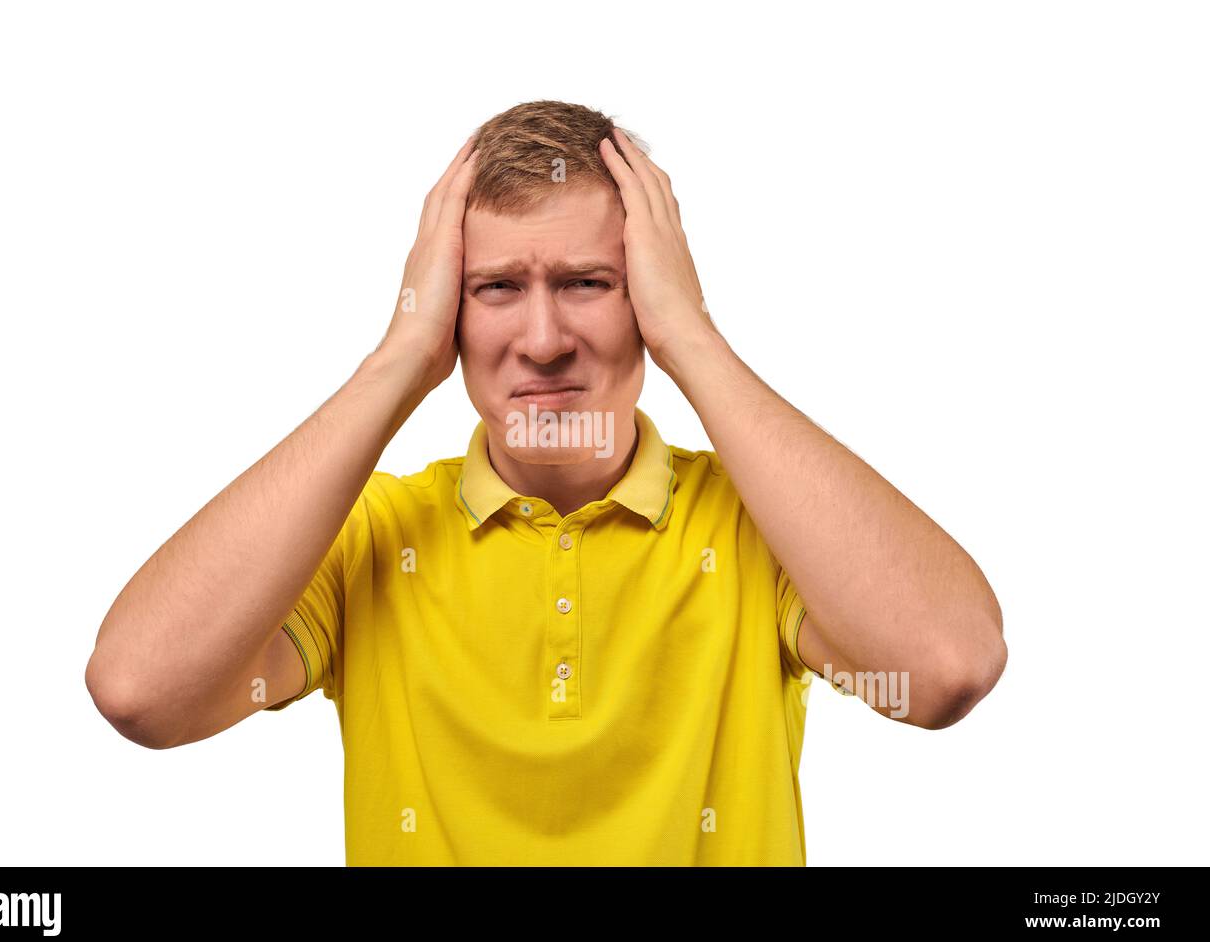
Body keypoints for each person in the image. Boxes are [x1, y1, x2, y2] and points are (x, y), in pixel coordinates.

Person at [86, 100, 1006, 866]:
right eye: (494, 289)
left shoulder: (756, 525)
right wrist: (398, 360)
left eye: (586, 282)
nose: (542, 340)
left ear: (651, 293)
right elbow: (139, 693)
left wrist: (695, 340)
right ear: (447, 305)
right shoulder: (374, 536)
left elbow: (946, 671)